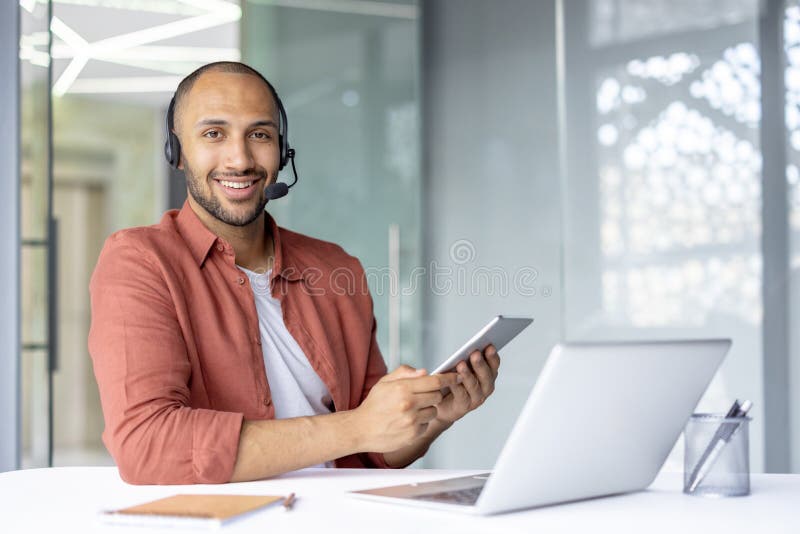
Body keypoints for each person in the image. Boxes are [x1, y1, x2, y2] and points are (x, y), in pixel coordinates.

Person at [88, 61, 501, 485]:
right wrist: (357, 426)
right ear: (176, 152)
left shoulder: (337, 269)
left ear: (283, 151)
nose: (240, 158)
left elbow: (375, 449)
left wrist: (434, 418)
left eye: (260, 135)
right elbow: (147, 445)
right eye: (214, 134)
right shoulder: (140, 261)